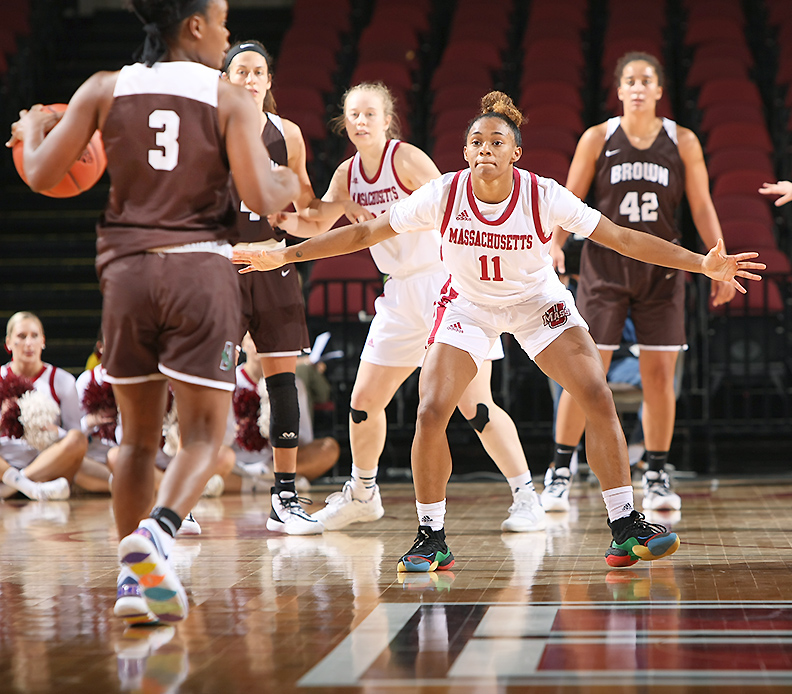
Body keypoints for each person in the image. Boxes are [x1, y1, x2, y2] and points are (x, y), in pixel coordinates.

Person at [234, 90, 764, 572]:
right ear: (464, 153)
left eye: (496, 140)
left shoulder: (544, 194)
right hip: (469, 307)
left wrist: (702, 264)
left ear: (515, 153)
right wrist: (287, 253)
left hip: (538, 304)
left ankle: (625, 525)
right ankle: (430, 536)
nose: (484, 147)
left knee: (595, 393)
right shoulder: (444, 193)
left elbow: (621, 238)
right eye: (475, 140)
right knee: (430, 409)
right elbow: (365, 232)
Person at [8, 0, 299, 624]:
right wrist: (288, 182)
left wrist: (32, 123)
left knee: (136, 440)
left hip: (127, 274)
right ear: (193, 26)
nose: (226, 32)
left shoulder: (104, 88)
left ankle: (131, 586)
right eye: (220, 20)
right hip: (198, 271)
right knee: (200, 434)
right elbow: (259, 193)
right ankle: (160, 532)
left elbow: (37, 171)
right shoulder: (228, 99)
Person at [274, 81, 546, 534]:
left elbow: (458, 203)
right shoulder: (347, 174)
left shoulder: (407, 159)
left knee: (475, 406)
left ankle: (526, 497)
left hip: (443, 283)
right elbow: (318, 222)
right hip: (399, 294)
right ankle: (363, 495)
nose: (360, 122)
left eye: (369, 114)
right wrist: (278, 220)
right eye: (353, 115)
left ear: (387, 120)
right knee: (363, 402)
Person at [547, 52, 737, 514]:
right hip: (605, 266)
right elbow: (568, 199)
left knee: (659, 377)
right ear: (618, 90)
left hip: (663, 269)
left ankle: (655, 471)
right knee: (586, 373)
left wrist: (719, 258)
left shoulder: (682, 140)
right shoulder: (598, 137)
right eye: (629, 80)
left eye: (645, 80)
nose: (636, 87)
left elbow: (702, 204)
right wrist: (554, 244)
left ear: (658, 90)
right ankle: (559, 469)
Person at [222, 40, 367, 535]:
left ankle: (284, 497)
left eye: (258, 71)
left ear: (268, 81)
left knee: (282, 377)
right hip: (224, 264)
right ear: (226, 79)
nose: (249, 78)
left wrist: (337, 208)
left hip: (274, 262)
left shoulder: (287, 133)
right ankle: (190, 495)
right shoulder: (209, 127)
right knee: (211, 376)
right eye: (240, 71)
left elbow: (305, 209)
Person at [225, 332, 339, 498]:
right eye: (252, 339)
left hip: (277, 462)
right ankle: (268, 485)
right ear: (242, 345)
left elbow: (305, 438)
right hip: (236, 463)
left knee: (329, 449)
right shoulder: (230, 382)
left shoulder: (293, 384)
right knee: (214, 459)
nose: (259, 344)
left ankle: (260, 482)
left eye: (265, 339)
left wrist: (278, 425)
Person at [0, 311, 87, 500]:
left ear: (43, 341)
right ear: (8, 343)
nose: (29, 343)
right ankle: (29, 488)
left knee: (77, 439)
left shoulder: (62, 380)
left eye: (34, 336)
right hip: (4, 465)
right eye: (21, 337)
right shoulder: (1, 377)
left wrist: (55, 431)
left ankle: (18, 485)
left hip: (47, 465)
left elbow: (76, 435)